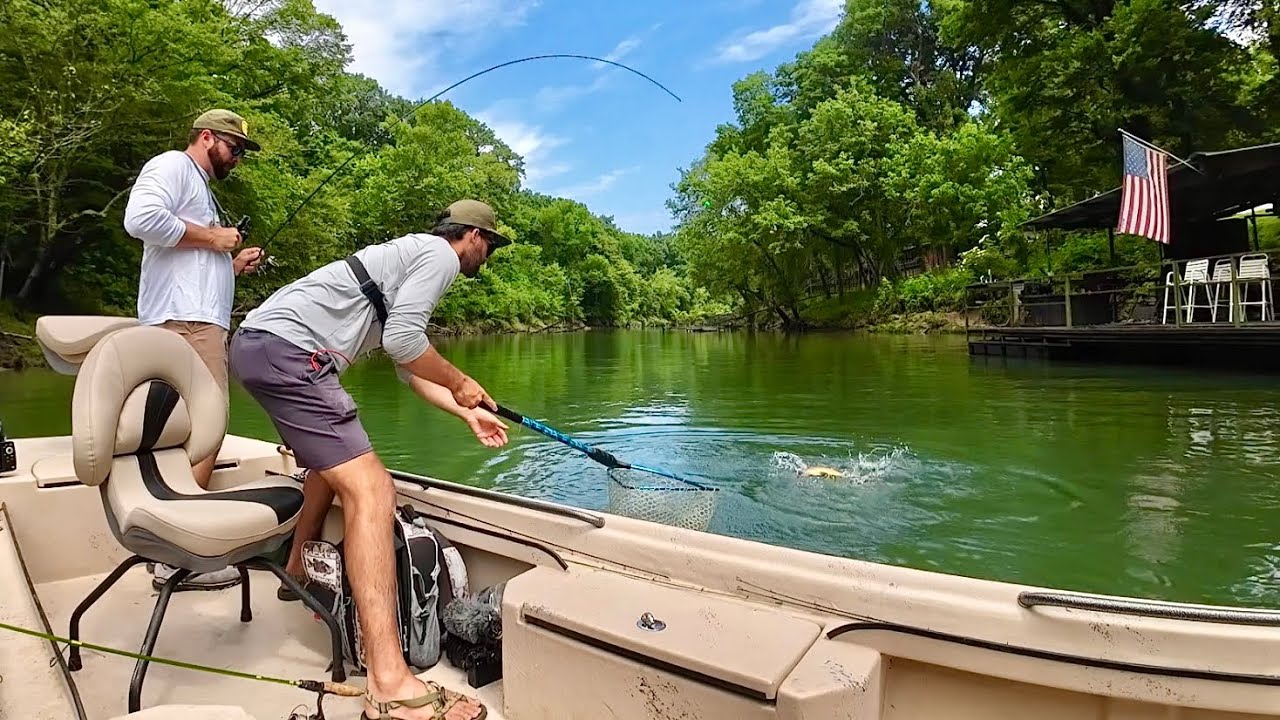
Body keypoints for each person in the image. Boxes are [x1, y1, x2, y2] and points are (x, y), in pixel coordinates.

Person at [228, 199, 509, 720]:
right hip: (290, 353)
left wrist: (465, 412)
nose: (486, 255)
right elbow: (407, 340)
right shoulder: (439, 257)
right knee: (373, 489)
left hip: (259, 346)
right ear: (470, 235)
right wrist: (462, 380)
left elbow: (409, 368)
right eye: (489, 244)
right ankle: (390, 682)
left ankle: (296, 574)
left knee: (329, 468)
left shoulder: (402, 260)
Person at [122, 108, 265, 592]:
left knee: (185, 430)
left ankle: (168, 545)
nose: (239, 158)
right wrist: (214, 239)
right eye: (234, 147)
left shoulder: (200, 186)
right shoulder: (174, 166)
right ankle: (179, 556)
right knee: (210, 422)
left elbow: (192, 257)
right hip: (188, 323)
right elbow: (140, 219)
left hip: (194, 318)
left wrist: (231, 261)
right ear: (206, 137)